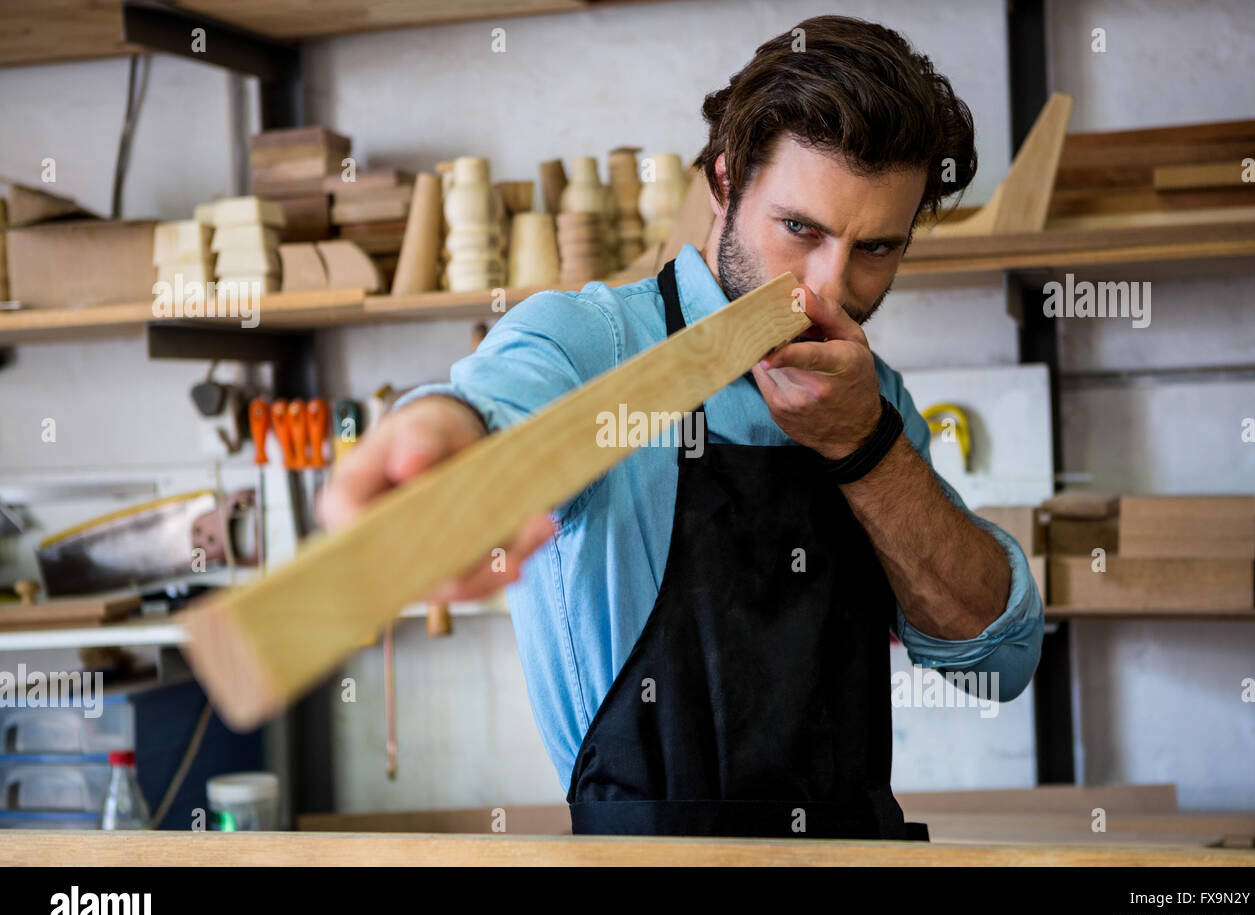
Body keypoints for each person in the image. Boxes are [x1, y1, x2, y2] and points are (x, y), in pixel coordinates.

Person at [318, 15, 1044, 840]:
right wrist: (439, 439)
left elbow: (1000, 666)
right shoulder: (592, 343)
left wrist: (867, 448)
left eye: (876, 248)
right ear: (727, 183)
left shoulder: (871, 397)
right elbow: (490, 408)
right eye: (800, 230)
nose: (828, 288)